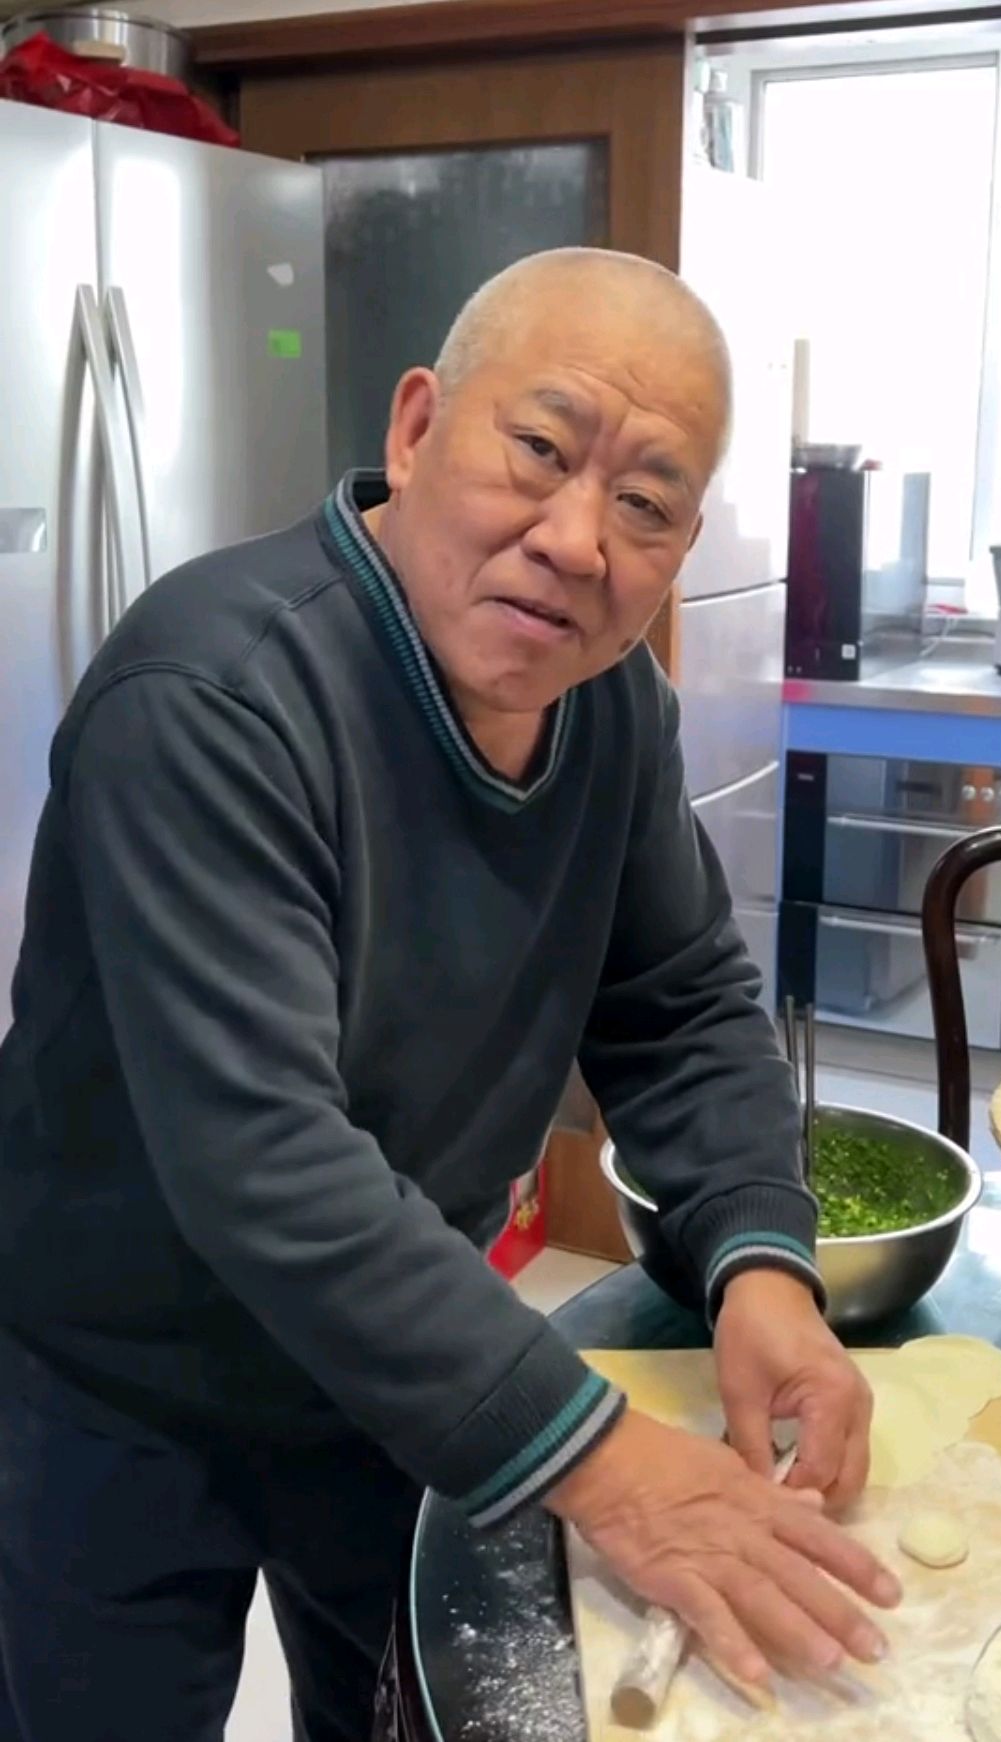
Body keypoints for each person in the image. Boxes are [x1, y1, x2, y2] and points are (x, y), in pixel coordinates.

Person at [0, 247, 899, 1742]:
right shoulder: (214, 696)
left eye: (646, 504)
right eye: (540, 448)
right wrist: (611, 1464)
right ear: (417, 427)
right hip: (119, 1373)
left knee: (403, 1702)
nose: (575, 539)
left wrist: (763, 1272)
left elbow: (678, 1003)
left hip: (391, 1355)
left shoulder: (610, 705)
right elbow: (265, 1159)